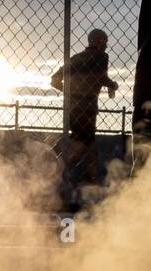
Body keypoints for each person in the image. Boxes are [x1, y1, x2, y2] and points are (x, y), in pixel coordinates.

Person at [51, 28, 118, 188]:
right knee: (83, 147)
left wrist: (71, 93)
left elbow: (54, 80)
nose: (106, 46)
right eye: (104, 41)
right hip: (87, 110)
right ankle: (55, 168)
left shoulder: (75, 58)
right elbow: (101, 77)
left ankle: (88, 182)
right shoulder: (102, 56)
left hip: (73, 109)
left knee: (88, 147)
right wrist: (113, 85)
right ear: (99, 41)